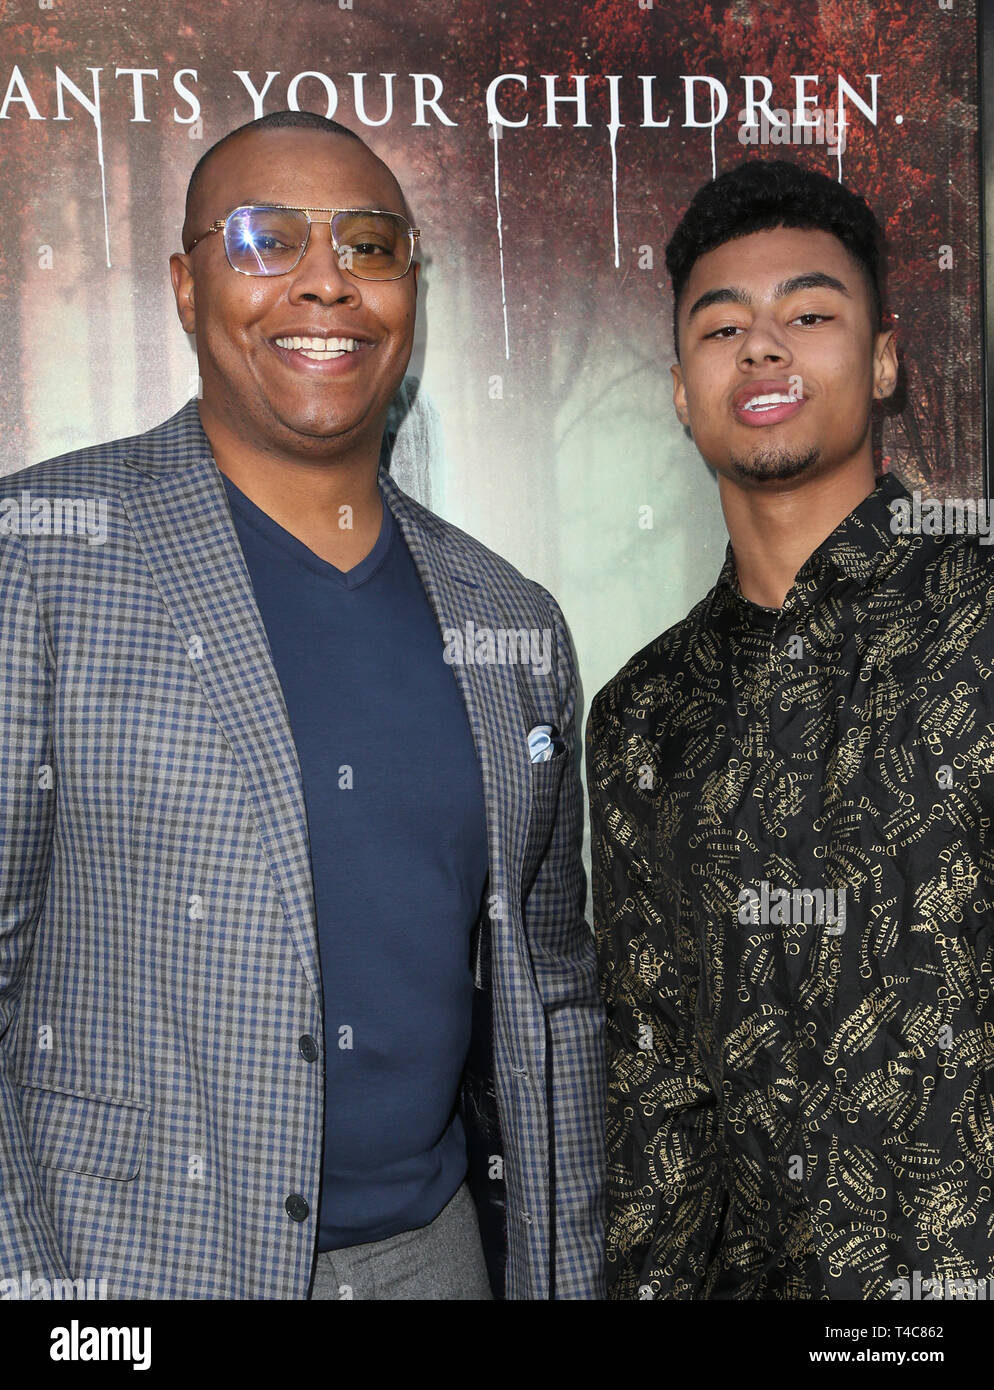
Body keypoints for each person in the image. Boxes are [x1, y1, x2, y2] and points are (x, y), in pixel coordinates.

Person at [0, 110, 604, 1301]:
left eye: (369, 246)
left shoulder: (510, 619)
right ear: (186, 286)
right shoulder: (38, 560)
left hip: (436, 1261)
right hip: (121, 1272)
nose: (325, 281)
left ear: (410, 288)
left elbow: (556, 999)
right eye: (265, 239)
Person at [587, 156, 994, 1300]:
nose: (762, 348)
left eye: (808, 314)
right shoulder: (642, 718)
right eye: (722, 329)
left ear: (880, 360)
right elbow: (656, 1090)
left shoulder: (978, 621)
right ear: (680, 388)